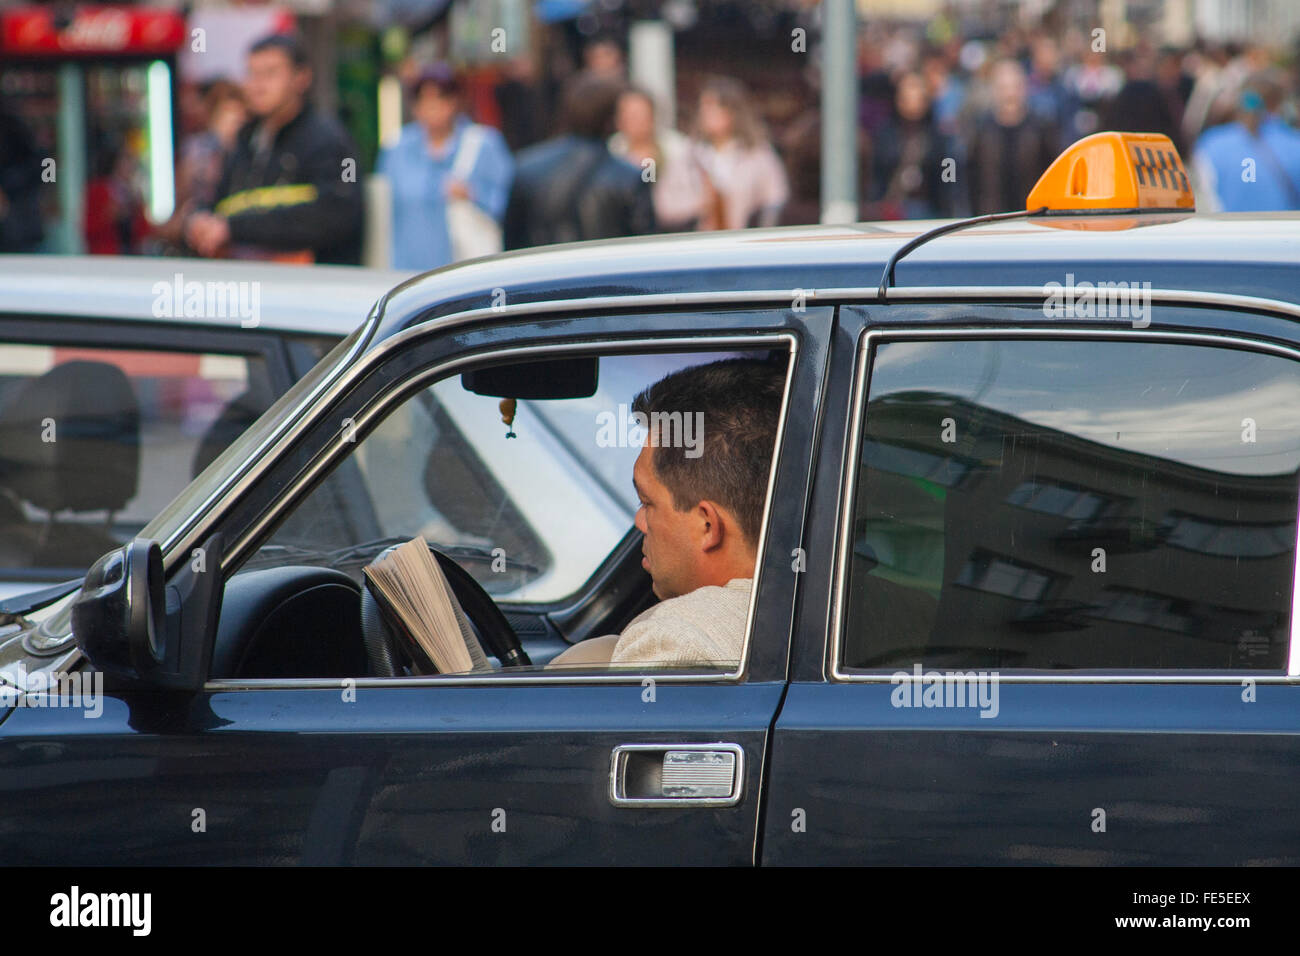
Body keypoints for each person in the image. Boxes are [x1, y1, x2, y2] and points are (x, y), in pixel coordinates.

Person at [548, 358, 784, 668]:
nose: (639, 521)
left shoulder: (676, 642)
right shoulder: (843, 609)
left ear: (707, 525)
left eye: (647, 502)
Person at [184, 32, 363, 264]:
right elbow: (220, 202)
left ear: (302, 77)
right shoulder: (244, 141)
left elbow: (338, 212)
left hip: (309, 290)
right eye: (251, 73)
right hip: (249, 287)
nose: (257, 85)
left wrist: (233, 229)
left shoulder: (333, 142)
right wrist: (199, 220)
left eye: (270, 73)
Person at [378, 65, 513, 270]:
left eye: (441, 97)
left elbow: (507, 205)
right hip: (405, 271)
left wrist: (473, 194)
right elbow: (384, 214)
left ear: (455, 101)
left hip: (464, 273)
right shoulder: (396, 149)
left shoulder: (482, 144)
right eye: (424, 98)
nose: (433, 106)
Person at [503, 71, 654, 249]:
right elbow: (645, 250)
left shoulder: (526, 168)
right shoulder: (630, 177)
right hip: (608, 274)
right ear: (611, 119)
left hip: (545, 274)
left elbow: (510, 247)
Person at [689, 76, 789, 230]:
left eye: (713, 106)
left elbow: (776, 201)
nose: (705, 113)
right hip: (699, 244)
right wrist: (700, 206)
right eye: (703, 106)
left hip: (745, 245)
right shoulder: (689, 154)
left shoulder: (758, 154)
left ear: (732, 111)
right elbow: (667, 206)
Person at [1192, 73, 1300, 212]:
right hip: (1286, 231)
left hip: (1228, 230)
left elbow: (1204, 201)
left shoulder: (1211, 143)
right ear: (1278, 104)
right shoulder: (1295, 143)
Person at [966, 58, 1060, 215]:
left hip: (1033, 219)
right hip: (991, 220)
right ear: (994, 90)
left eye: (1015, 87)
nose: (1010, 94)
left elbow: (1052, 174)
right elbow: (972, 179)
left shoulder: (1041, 128)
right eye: (1003, 87)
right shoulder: (981, 130)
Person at [608, 87, 703, 231]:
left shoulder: (677, 148)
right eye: (631, 115)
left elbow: (696, 197)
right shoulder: (612, 151)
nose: (637, 121)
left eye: (641, 114)